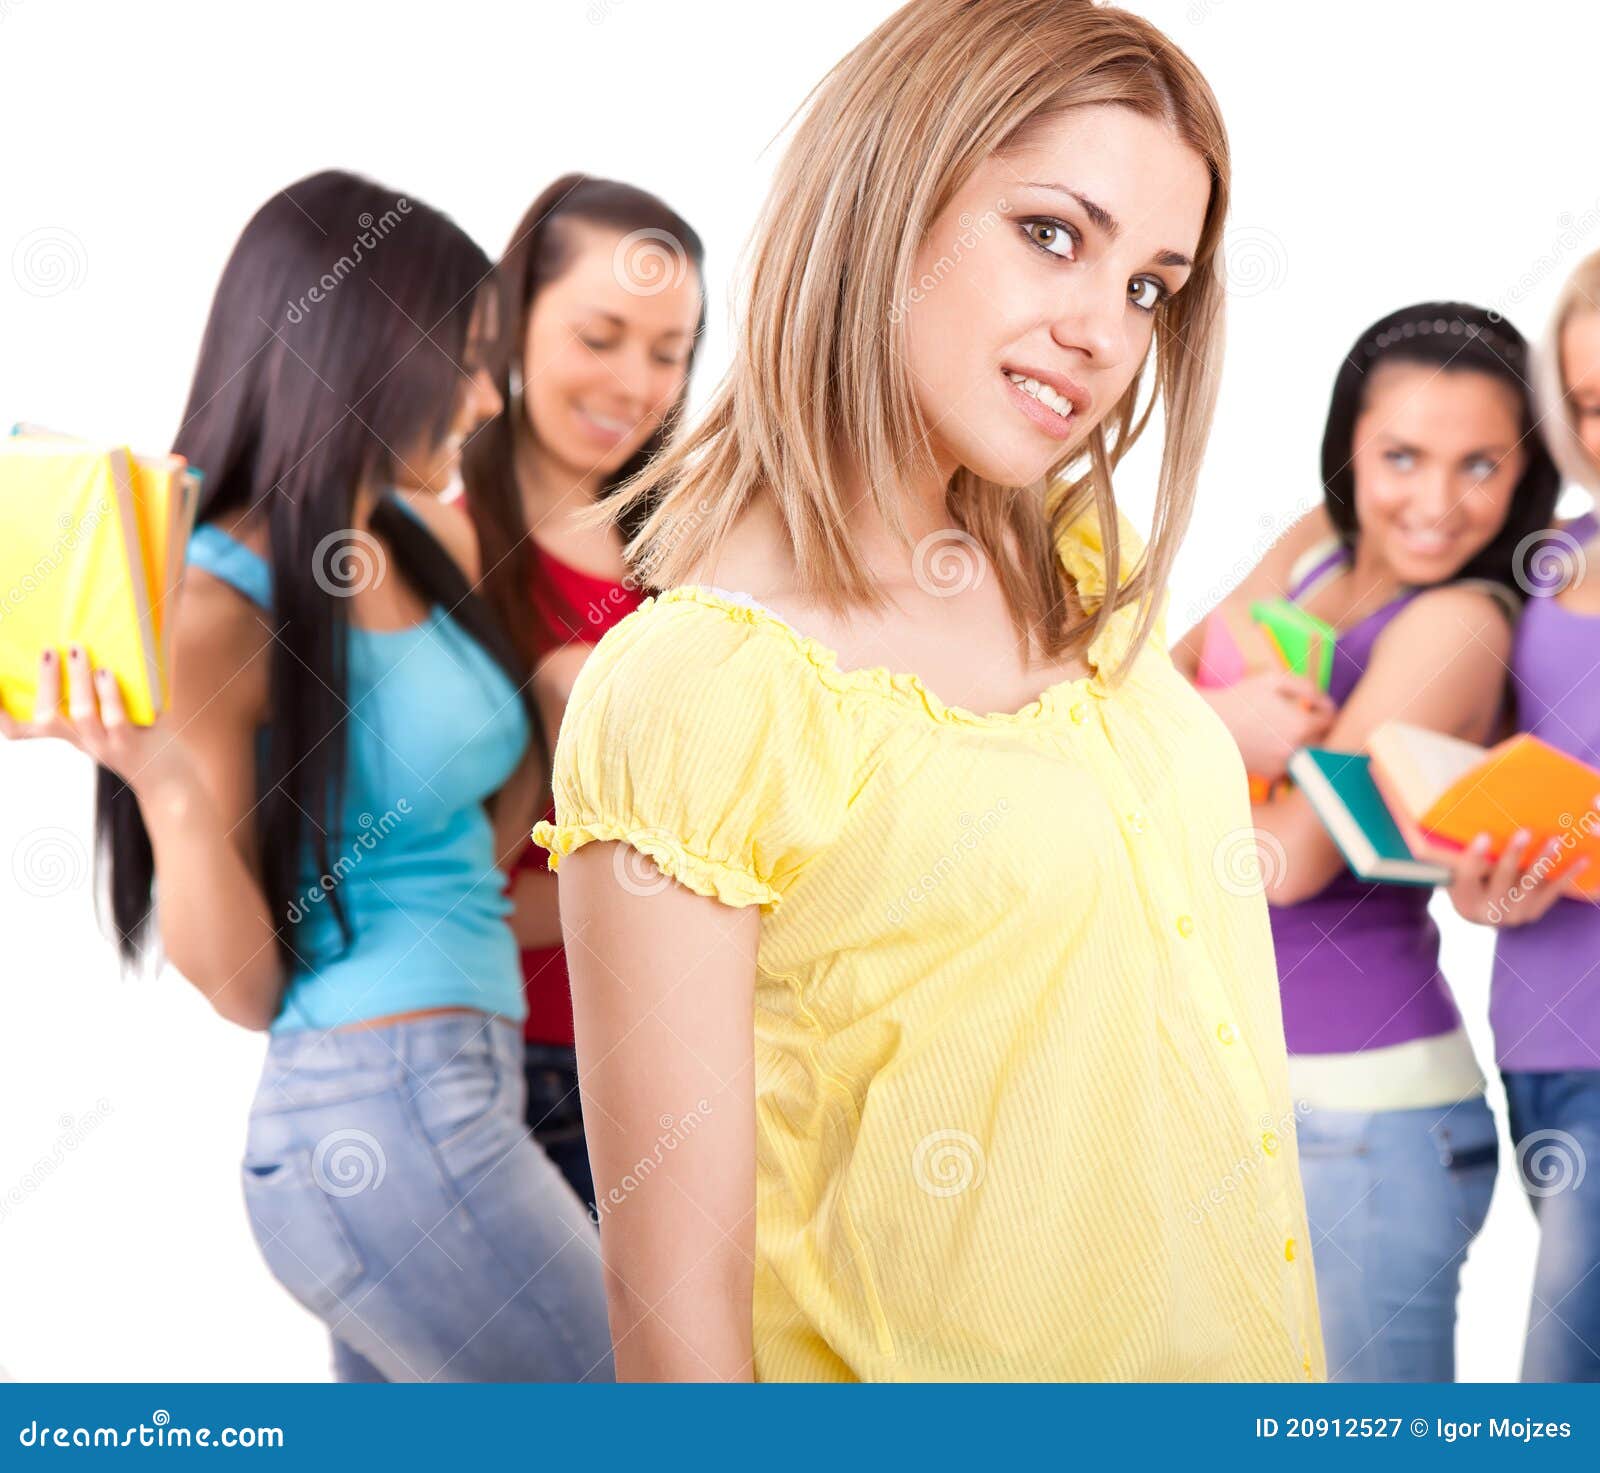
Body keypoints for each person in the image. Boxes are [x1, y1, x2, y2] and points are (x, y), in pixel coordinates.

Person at [530, 0, 1323, 1381]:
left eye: (1149, 286)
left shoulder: (1079, 562)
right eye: (1054, 234)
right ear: (887, 198)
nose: (1103, 332)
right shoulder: (697, 690)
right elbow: (677, 1330)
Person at [0, 172, 613, 1382]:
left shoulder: (422, 538)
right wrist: (161, 784)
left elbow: (467, 836)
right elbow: (242, 987)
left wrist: (553, 698)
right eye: (465, 359)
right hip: (375, 1111)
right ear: (362, 351)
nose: (491, 400)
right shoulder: (215, 608)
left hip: (458, 1087)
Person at [1175, 302, 1560, 1380]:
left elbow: (1287, 860)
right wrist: (1209, 728)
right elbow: (1144, 698)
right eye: (1401, 456)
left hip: (1360, 1117)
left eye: (1479, 465)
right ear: (1349, 445)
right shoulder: (1314, 546)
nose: (1435, 504)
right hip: (1260, 1096)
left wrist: (1189, 740)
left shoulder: (1457, 624)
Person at [460, 174, 705, 1211]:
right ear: (509, 323)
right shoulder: (432, 539)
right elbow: (411, 895)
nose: (634, 383)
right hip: (486, 1066)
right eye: (599, 336)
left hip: (665, 1079)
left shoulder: (693, 553)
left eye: (668, 351)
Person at [1447, 251, 1600, 1381]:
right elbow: (1511, 773)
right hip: (1539, 1031)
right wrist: (1476, 873)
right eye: (1589, 406)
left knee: (1558, 1387)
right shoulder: (1556, 566)